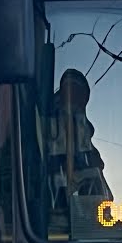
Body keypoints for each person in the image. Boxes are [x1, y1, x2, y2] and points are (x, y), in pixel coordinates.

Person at [46, 69, 113, 228]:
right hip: (58, 224)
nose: (77, 105)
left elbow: (105, 195)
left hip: (87, 225)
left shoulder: (87, 145)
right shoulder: (46, 130)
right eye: (71, 94)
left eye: (81, 101)